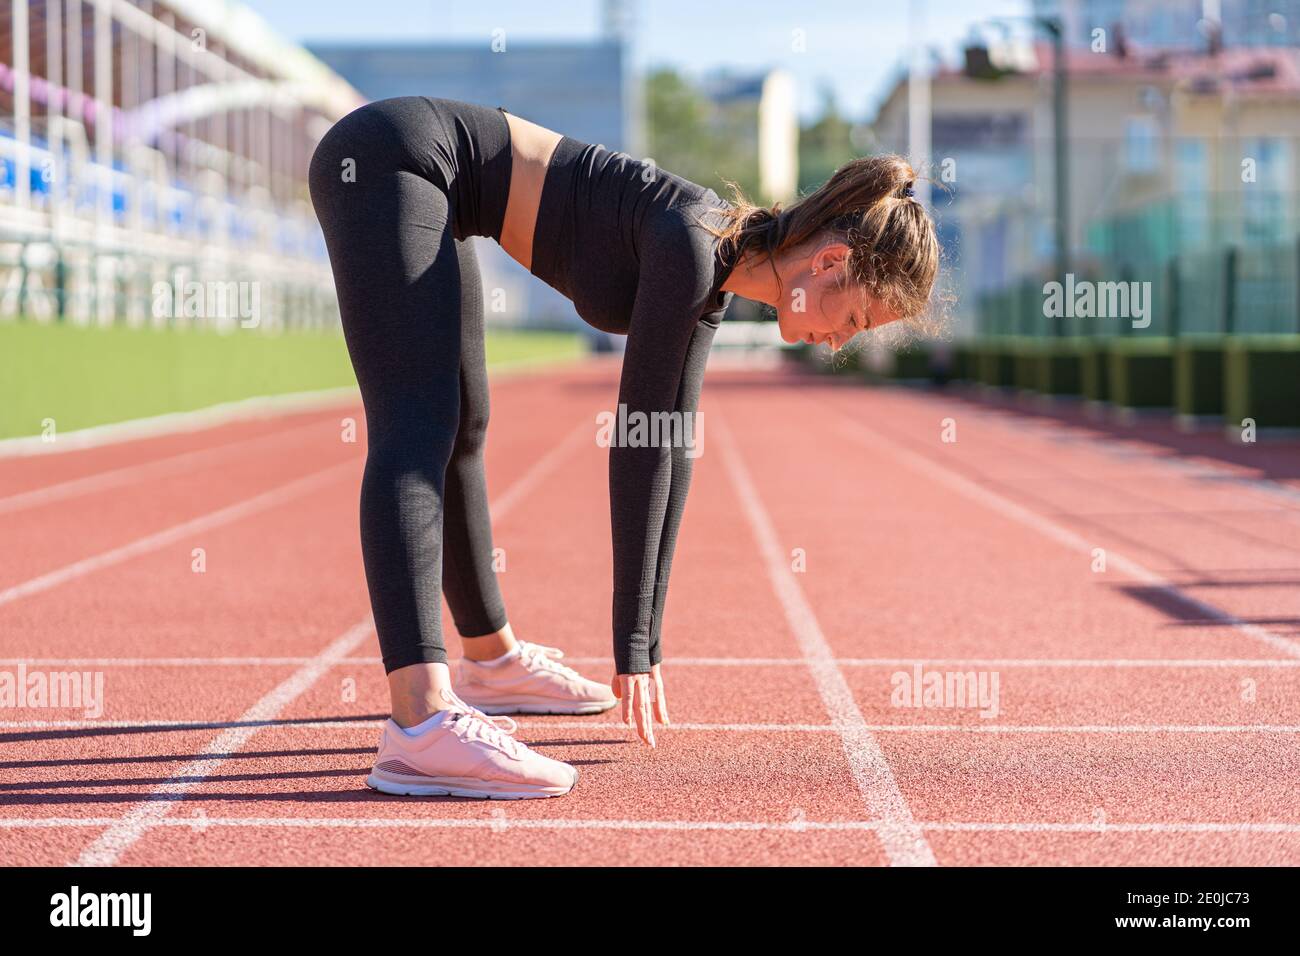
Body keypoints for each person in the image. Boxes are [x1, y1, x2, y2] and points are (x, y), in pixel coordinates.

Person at [308, 97, 939, 799]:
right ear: (828, 261)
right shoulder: (690, 242)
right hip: (391, 157)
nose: (842, 340)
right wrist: (629, 647)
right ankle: (420, 725)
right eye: (852, 317)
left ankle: (490, 661)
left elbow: (671, 444)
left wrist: (647, 639)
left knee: (463, 425)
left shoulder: (716, 270)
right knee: (418, 423)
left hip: (441, 185)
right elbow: (635, 441)